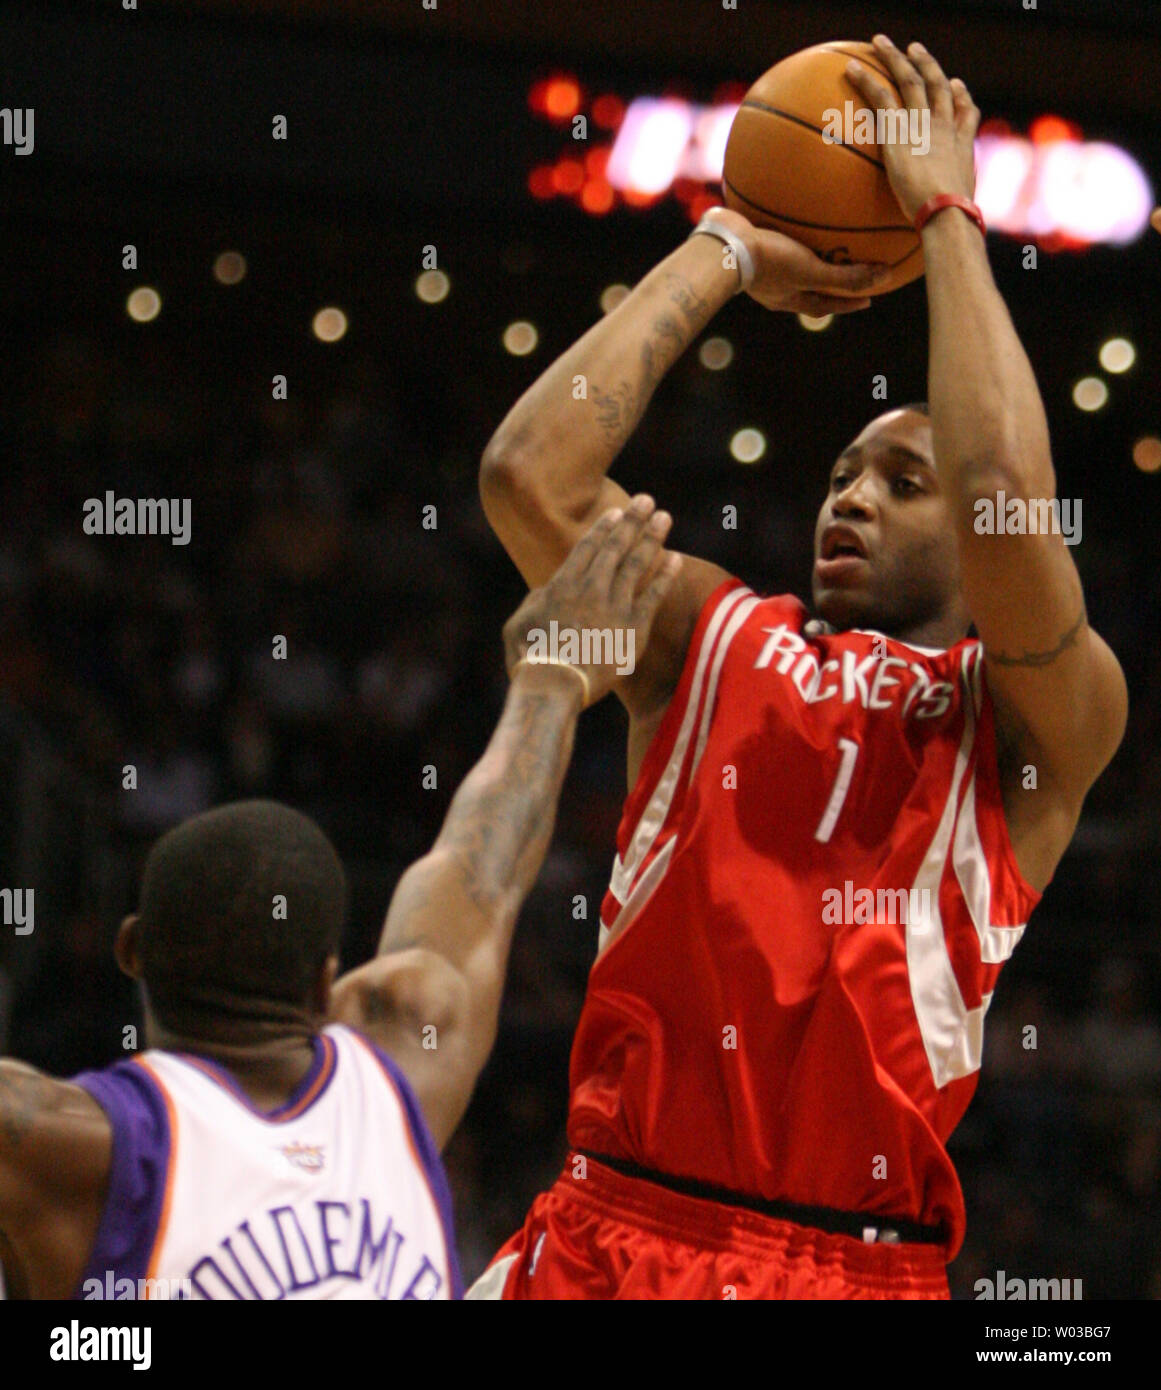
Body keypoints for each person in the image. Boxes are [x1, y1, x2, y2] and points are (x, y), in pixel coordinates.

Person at [472, 35, 1127, 1300]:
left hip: (849, 1264)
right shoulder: (708, 642)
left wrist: (946, 216)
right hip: (610, 1222)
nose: (852, 499)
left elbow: (1001, 487)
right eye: (840, 476)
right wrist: (726, 248)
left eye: (899, 480)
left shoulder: (1042, 718)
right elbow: (526, 477)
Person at [0, 502, 680, 1300]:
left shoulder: (62, 1142)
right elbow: (482, 869)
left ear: (132, 949)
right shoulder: (406, 1070)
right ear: (328, 979)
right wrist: (552, 680)